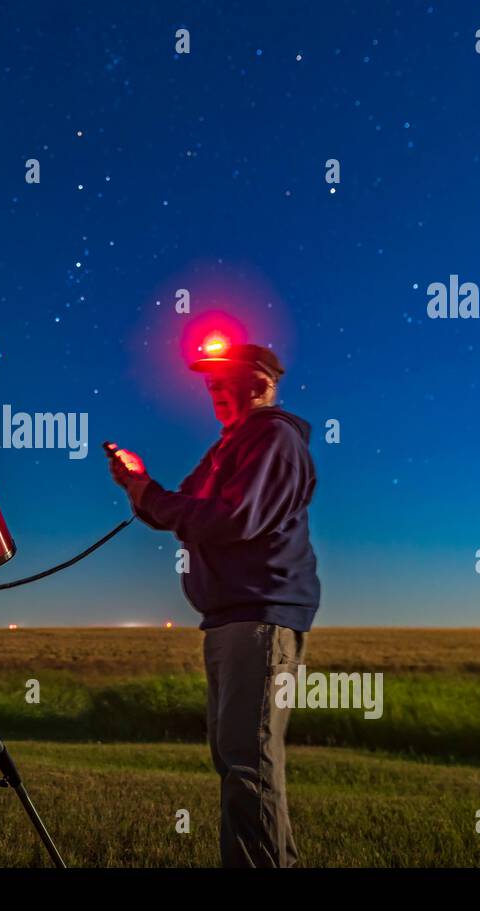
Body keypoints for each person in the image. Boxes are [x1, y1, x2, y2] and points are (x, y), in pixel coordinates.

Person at [107, 340, 320, 867]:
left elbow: (229, 519)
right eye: (210, 384)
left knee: (249, 763)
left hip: (260, 617)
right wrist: (137, 484)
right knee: (237, 761)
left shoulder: (271, 438)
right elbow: (180, 509)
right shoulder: (231, 446)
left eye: (226, 381)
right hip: (233, 619)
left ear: (261, 384)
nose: (214, 392)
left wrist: (149, 494)